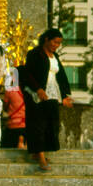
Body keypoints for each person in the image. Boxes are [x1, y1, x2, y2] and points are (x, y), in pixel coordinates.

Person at [21, 28, 73, 172]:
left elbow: (60, 77)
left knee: (52, 124)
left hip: (52, 93)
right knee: (38, 124)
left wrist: (64, 96)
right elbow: (28, 74)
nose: (56, 45)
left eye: (59, 43)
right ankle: (41, 158)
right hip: (36, 94)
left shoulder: (55, 57)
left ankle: (38, 153)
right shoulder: (34, 54)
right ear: (47, 39)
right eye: (55, 42)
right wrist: (37, 89)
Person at [0, 65, 26, 150]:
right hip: (26, 125)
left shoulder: (10, 90)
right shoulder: (29, 91)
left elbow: (5, 107)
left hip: (13, 125)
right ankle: (22, 141)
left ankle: (19, 141)